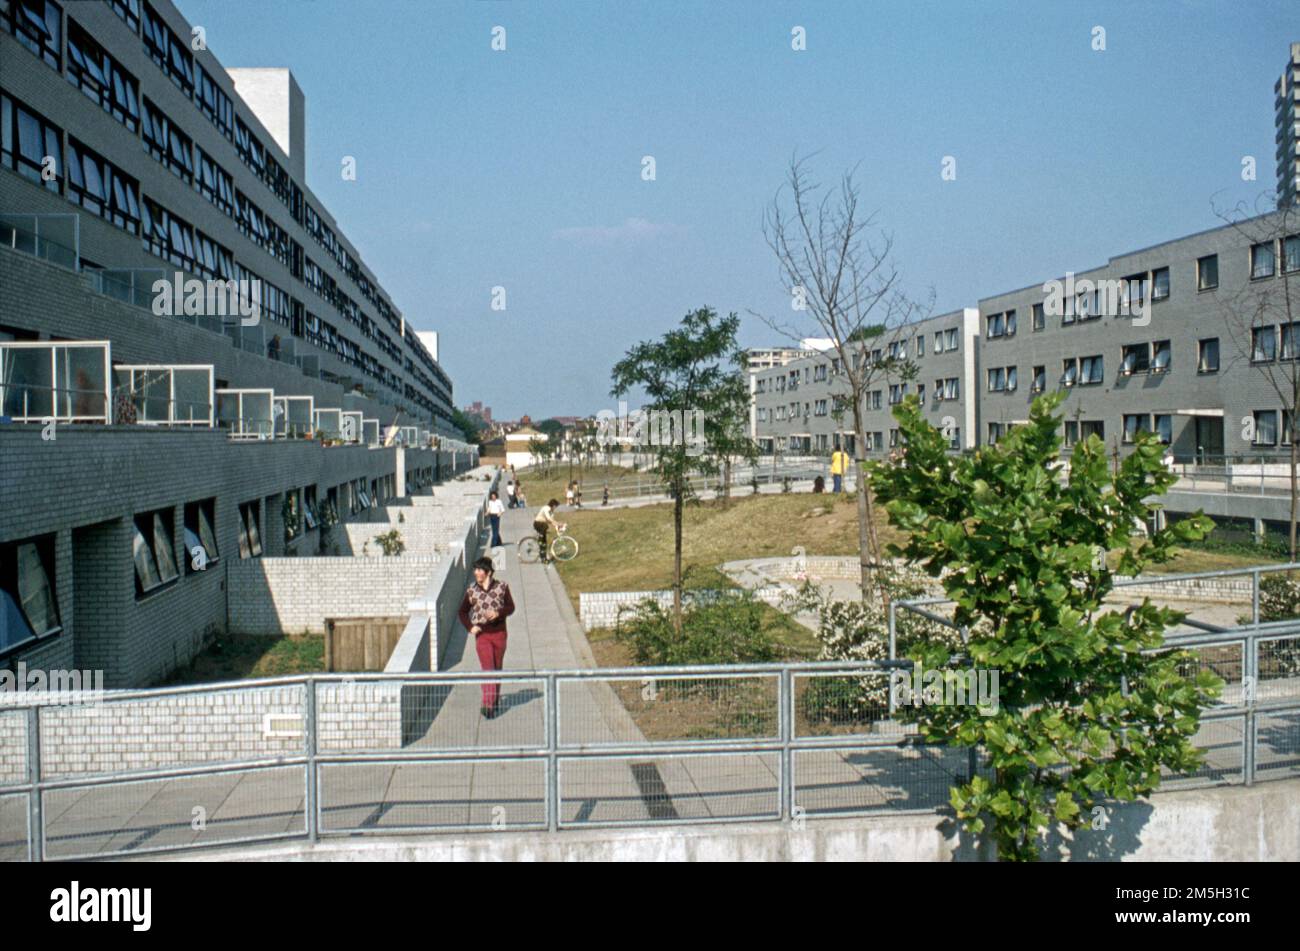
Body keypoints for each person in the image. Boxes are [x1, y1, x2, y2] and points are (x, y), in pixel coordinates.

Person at [456, 557, 516, 719]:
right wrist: (470, 627)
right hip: (482, 635)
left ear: (488, 572)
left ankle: (494, 699)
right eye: (475, 570)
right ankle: (487, 704)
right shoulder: (472, 591)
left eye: (479, 570)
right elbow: (462, 612)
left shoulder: (502, 587)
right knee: (488, 669)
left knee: (496, 668)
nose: (476, 573)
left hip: (500, 634)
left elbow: (511, 607)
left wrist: (498, 613)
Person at [532, 498, 565, 564]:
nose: (555, 508)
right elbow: (549, 518)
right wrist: (558, 523)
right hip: (538, 524)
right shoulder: (546, 508)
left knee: (544, 544)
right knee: (545, 526)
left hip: (542, 526)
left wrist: (558, 525)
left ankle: (543, 559)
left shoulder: (551, 512)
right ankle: (540, 538)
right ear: (553, 505)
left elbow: (552, 521)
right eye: (556, 506)